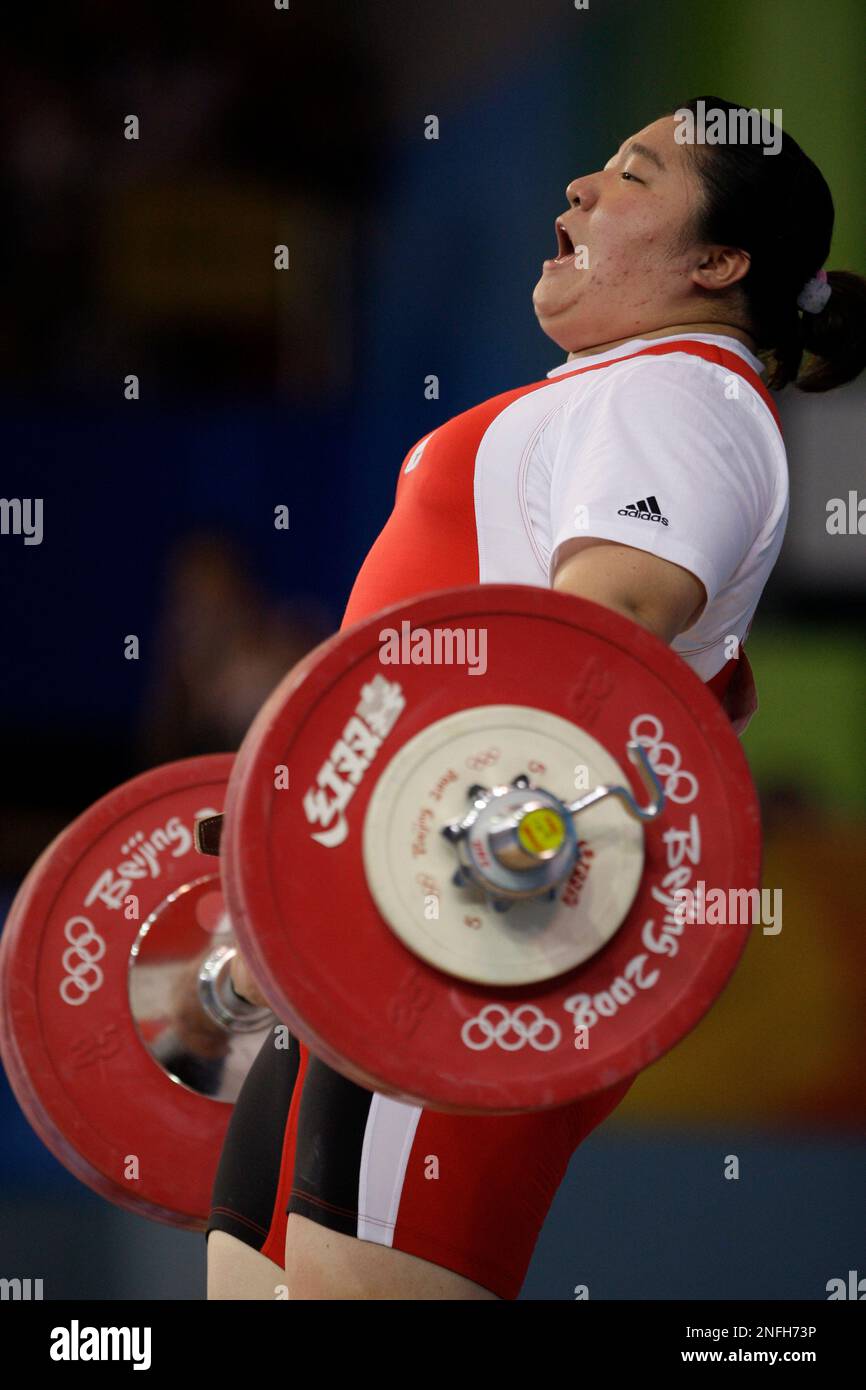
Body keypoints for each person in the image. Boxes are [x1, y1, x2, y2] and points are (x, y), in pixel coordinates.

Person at [207, 97, 866, 1300]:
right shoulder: (616, 390)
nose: (576, 187)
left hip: (476, 927)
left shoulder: (679, 395)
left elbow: (603, 644)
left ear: (716, 264)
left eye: (632, 173)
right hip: (377, 917)